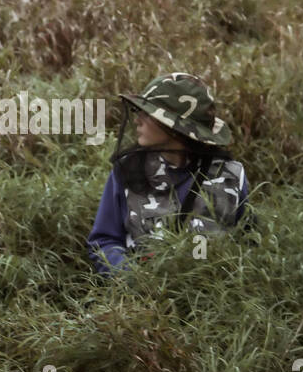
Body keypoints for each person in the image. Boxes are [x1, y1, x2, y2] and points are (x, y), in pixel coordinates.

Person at [88, 72, 249, 275]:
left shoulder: (231, 175)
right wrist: (132, 278)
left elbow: (248, 243)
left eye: (148, 114)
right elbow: (104, 240)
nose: (137, 120)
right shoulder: (128, 170)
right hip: (141, 301)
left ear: (174, 127)